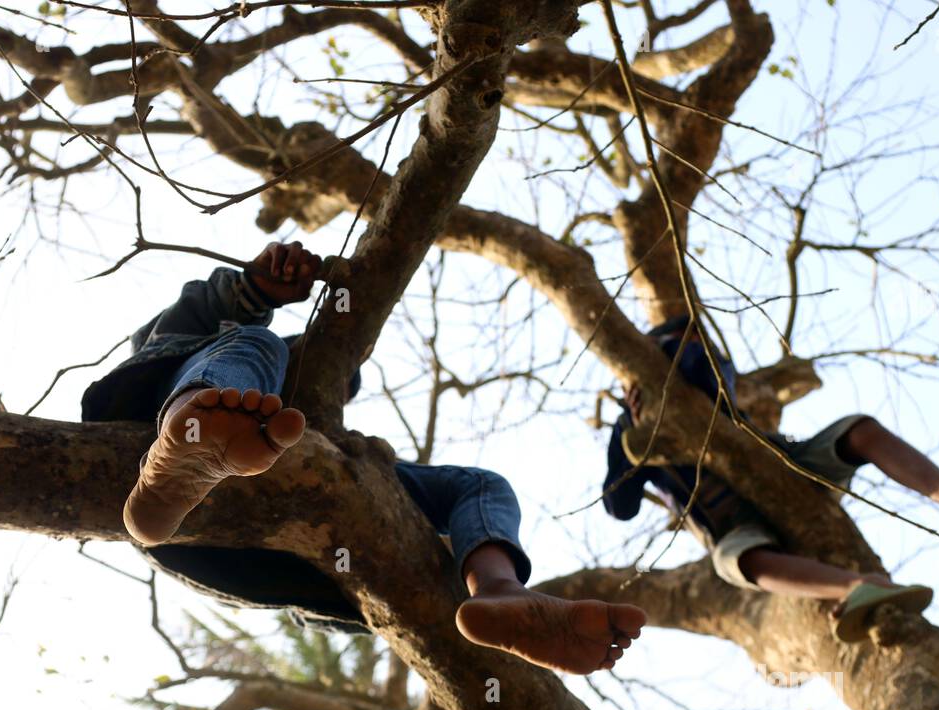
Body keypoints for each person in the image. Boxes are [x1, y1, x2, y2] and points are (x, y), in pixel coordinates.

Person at [82, 241, 646, 675]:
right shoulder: (221, 341)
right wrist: (260, 284)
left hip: (274, 563)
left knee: (481, 485)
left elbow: (322, 390)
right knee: (257, 346)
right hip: (177, 508)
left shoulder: (310, 438)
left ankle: (500, 592)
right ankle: (189, 437)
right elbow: (205, 309)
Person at [602, 315, 939, 642]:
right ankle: (855, 588)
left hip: (786, 464)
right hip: (731, 521)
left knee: (860, 430)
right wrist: (633, 443)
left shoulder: (709, 376)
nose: (689, 351)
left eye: (692, 343)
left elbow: (703, 373)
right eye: (674, 346)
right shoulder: (628, 428)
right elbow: (619, 507)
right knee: (736, 562)